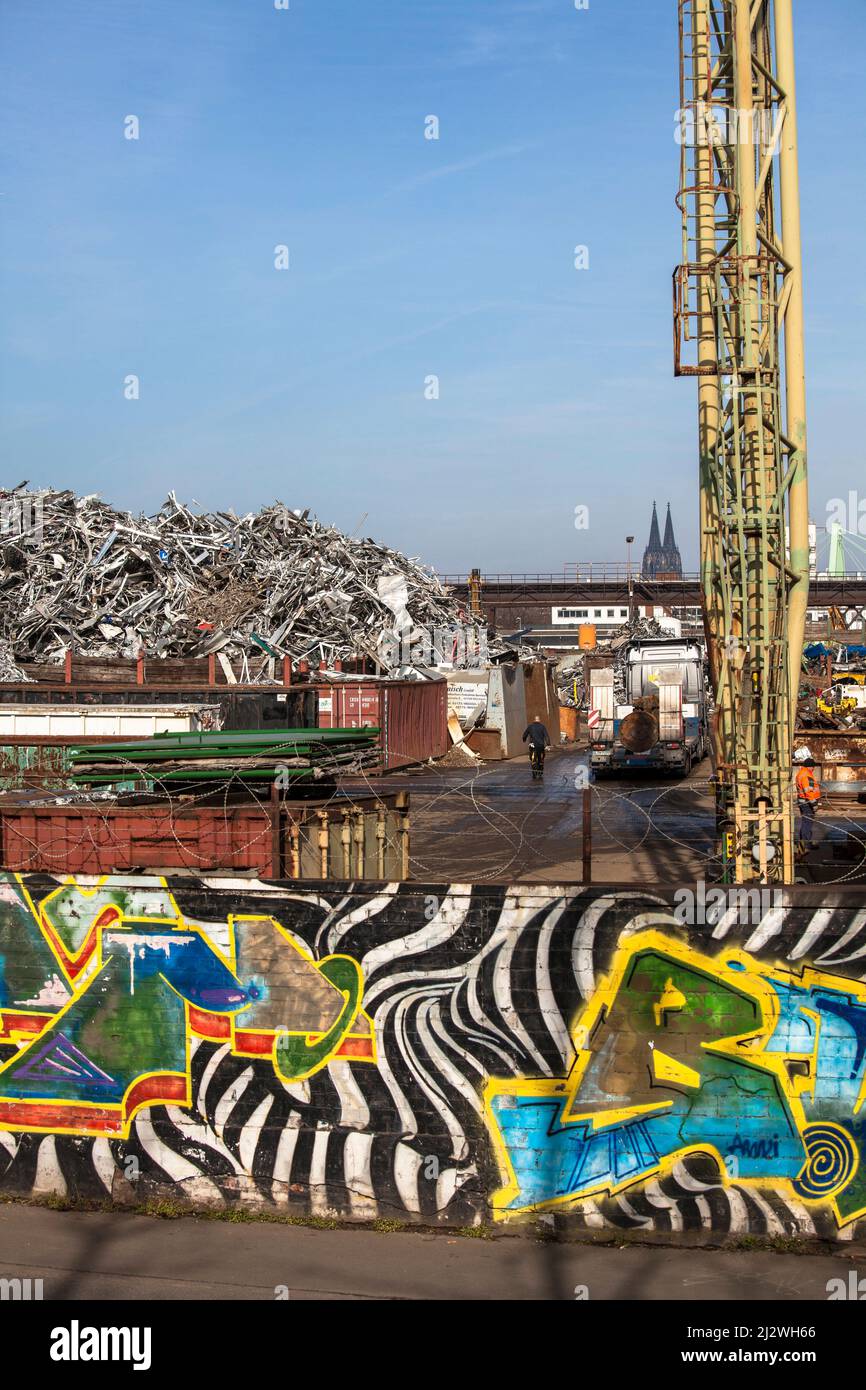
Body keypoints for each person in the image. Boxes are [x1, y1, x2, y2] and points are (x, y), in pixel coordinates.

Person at [795, 758, 821, 855]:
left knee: (806, 823)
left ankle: (805, 844)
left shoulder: (801, 773)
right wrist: (814, 804)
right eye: (813, 767)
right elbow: (809, 792)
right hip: (807, 803)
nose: (813, 768)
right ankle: (804, 846)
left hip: (803, 802)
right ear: (810, 766)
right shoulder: (807, 775)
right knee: (807, 823)